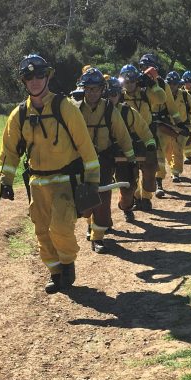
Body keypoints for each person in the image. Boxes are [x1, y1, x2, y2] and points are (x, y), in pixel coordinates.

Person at [0, 54, 100, 294]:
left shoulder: (65, 107)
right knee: (42, 231)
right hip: (37, 183)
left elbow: (85, 147)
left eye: (39, 75)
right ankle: (55, 272)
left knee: (61, 227)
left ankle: (67, 264)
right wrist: (6, 181)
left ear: (48, 76)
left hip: (66, 181)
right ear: (23, 81)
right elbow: (10, 152)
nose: (34, 81)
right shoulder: (19, 115)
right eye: (29, 77)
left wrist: (92, 181)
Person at [73, 68, 135, 253]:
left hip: (103, 161)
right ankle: (90, 223)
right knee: (85, 200)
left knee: (103, 199)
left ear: (102, 89)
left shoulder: (109, 109)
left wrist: (131, 158)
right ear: (83, 89)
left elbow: (122, 135)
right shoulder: (74, 108)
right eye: (88, 89)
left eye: (96, 89)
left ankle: (98, 237)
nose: (92, 93)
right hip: (80, 161)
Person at [106, 77, 156, 214]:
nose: (110, 98)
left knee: (128, 189)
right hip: (104, 156)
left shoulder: (128, 112)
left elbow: (145, 131)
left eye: (114, 94)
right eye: (107, 94)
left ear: (119, 94)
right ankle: (96, 222)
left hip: (126, 155)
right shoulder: (95, 114)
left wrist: (150, 145)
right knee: (100, 192)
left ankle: (129, 204)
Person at [119, 63, 166, 209]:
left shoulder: (146, 93)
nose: (129, 84)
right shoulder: (119, 96)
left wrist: (153, 84)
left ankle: (146, 199)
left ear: (137, 80)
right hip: (127, 139)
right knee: (131, 173)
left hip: (147, 137)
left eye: (132, 81)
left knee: (148, 170)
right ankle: (136, 198)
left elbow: (162, 98)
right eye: (126, 81)